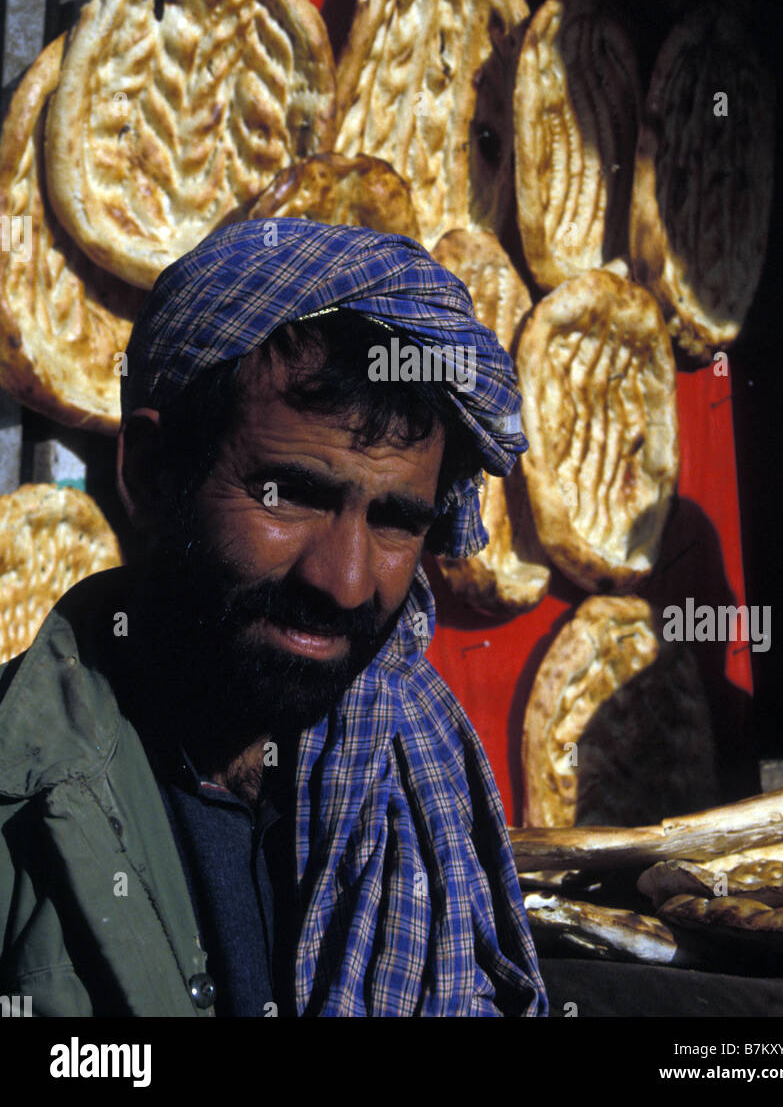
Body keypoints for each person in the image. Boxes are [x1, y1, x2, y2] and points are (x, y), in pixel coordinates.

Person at [0, 217, 547, 1018]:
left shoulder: (418, 781)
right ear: (154, 476)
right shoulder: (24, 813)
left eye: (396, 519)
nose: (346, 582)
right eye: (291, 495)